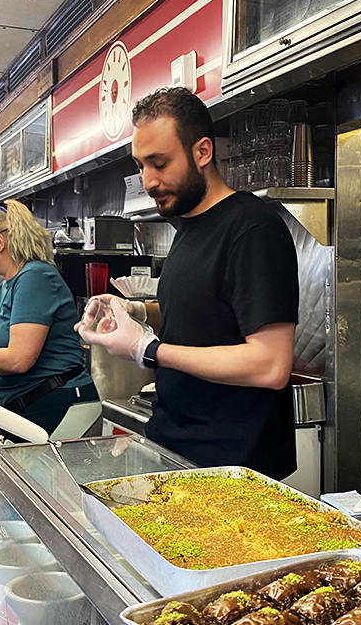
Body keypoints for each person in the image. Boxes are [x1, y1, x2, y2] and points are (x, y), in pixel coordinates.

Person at [77, 88, 298, 479]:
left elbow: (269, 364)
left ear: (202, 152)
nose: (148, 181)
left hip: (234, 472)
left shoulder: (252, 228)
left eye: (159, 163)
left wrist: (149, 350)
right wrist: (136, 311)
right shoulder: (189, 228)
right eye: (141, 165)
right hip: (175, 452)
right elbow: (206, 314)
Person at [0, 200, 98, 434]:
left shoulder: (35, 277)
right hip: (28, 408)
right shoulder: (6, 286)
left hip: (57, 405)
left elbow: (18, 360)